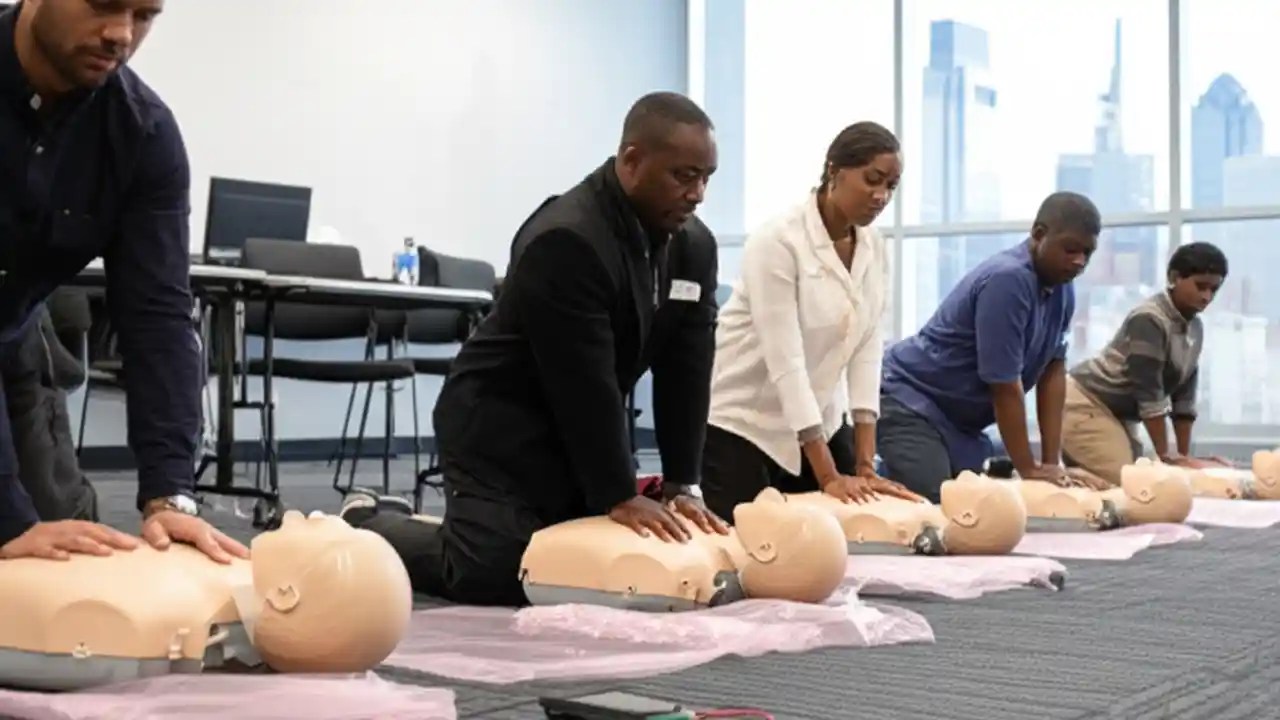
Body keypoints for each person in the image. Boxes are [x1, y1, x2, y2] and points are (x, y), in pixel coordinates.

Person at [343, 91, 726, 606]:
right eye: (684, 176)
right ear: (632, 162)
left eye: (706, 178)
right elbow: (582, 382)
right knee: (498, 570)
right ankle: (364, 524)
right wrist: (618, 494)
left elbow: (687, 369)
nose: (698, 193)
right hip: (499, 428)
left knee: (574, 565)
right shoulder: (567, 240)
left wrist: (683, 484)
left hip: (574, 435)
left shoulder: (694, 247)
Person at [0, 0, 247, 562]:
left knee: (68, 548)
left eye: (145, 14)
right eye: (105, 5)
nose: (121, 33)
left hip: (13, 337)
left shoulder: (142, 134)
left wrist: (170, 495)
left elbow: (157, 316)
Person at [700, 121, 921, 522]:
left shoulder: (874, 247)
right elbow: (786, 361)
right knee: (755, 550)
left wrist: (865, 466)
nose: (881, 196)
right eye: (872, 180)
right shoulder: (778, 242)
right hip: (746, 423)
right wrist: (828, 475)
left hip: (819, 415)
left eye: (891, 186)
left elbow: (867, 351)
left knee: (845, 531)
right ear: (834, 170)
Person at [876, 192, 1102, 502]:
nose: (1079, 261)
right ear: (1039, 235)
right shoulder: (1008, 280)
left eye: (1087, 253)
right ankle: (876, 469)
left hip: (961, 424)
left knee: (979, 498)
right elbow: (1004, 385)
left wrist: (1052, 465)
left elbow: (1053, 374)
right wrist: (1029, 470)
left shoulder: (1063, 291)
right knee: (938, 502)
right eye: (1070, 249)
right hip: (910, 401)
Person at [1062, 242, 1232, 484]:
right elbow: (1149, 393)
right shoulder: (1149, 319)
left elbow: (1184, 399)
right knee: (1130, 482)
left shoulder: (1194, 327)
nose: (1207, 296)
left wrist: (1184, 459)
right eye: (1200, 286)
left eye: (1214, 289)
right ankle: (1064, 479)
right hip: (1087, 402)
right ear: (1174, 278)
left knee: (1149, 479)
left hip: (1119, 414)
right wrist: (1167, 457)